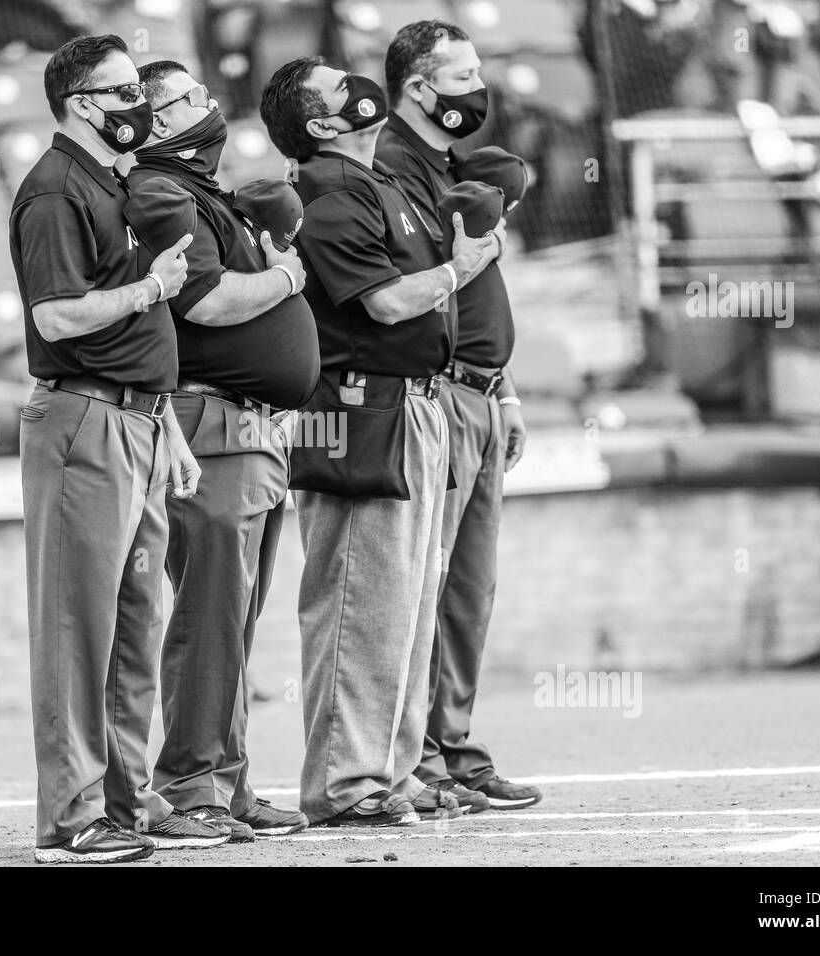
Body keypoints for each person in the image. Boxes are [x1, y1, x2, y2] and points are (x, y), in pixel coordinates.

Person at [259, 56, 503, 827]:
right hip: (365, 411)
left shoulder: (382, 184)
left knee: (407, 606)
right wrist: (459, 271)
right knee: (362, 603)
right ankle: (346, 784)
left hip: (416, 404)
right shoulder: (329, 195)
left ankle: (388, 774)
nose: (358, 86)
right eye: (338, 88)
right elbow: (391, 302)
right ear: (323, 124)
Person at [9, 33, 230, 864]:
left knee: (137, 622)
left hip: (135, 422)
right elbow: (58, 318)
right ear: (80, 104)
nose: (140, 102)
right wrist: (151, 289)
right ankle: (69, 823)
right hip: (81, 423)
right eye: (125, 90)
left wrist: (165, 423)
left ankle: (126, 802)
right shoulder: (56, 190)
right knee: (77, 626)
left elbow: (134, 332)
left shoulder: (117, 184)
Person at [127, 59, 319, 839]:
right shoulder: (159, 191)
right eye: (187, 101)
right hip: (207, 423)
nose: (208, 108)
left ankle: (227, 779)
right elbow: (206, 302)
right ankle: (193, 781)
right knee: (208, 614)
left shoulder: (207, 193)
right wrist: (283, 279)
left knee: (236, 614)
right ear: (158, 122)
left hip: (248, 426)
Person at [375, 19, 542, 813]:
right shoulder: (389, 163)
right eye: (463, 75)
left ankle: (456, 747)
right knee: (428, 585)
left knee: (469, 589)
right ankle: (424, 761)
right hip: (434, 392)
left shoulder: (449, 161)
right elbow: (418, 287)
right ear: (419, 85)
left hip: (480, 390)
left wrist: (503, 388)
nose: (478, 90)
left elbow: (477, 290)